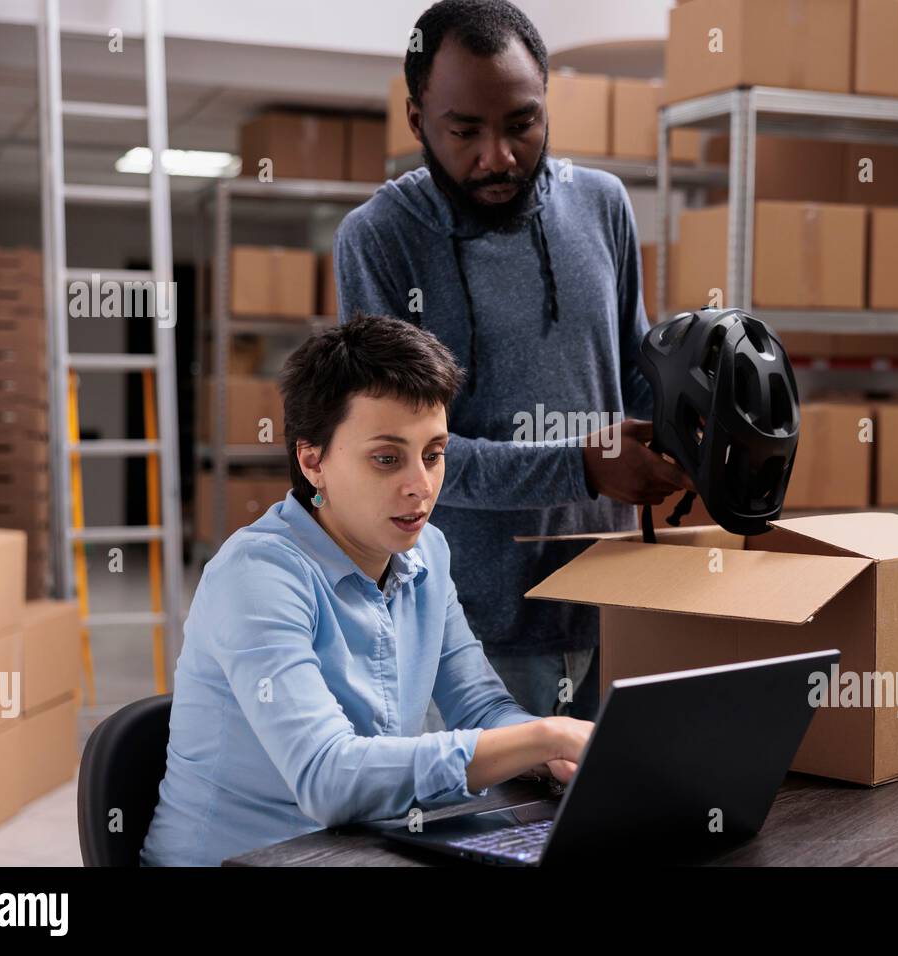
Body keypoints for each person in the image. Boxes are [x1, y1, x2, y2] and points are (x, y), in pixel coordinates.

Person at [334, 0, 692, 720]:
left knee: (619, 796)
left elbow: (633, 376)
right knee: (497, 802)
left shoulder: (602, 204)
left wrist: (702, 422)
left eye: (522, 124)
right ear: (417, 121)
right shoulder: (380, 239)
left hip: (614, 600)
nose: (497, 157)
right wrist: (583, 465)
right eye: (465, 131)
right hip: (465, 634)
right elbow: (406, 458)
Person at [139, 316, 592, 866]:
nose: (421, 486)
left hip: (357, 851)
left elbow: (479, 706)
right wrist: (544, 738)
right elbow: (328, 777)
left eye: (433, 454)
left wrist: (550, 752)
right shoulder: (257, 575)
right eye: (387, 459)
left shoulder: (428, 554)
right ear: (313, 461)